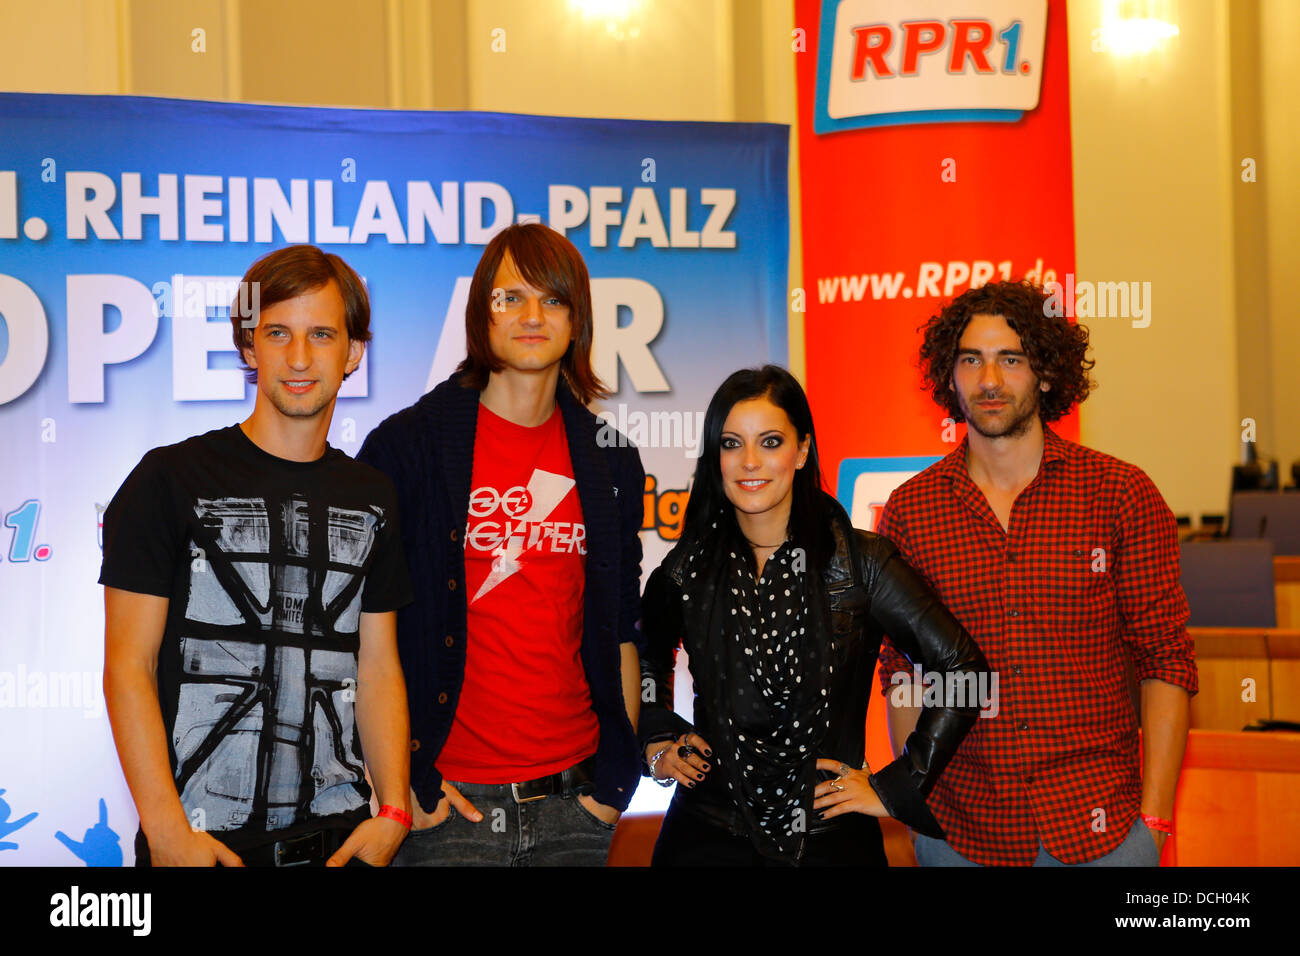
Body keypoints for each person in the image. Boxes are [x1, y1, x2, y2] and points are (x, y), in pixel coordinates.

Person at [101, 245, 414, 867]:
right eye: (278, 333)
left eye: (322, 334)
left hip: (342, 846)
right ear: (250, 348)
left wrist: (395, 812)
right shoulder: (168, 479)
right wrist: (166, 833)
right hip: (203, 850)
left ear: (353, 353)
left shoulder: (374, 495)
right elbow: (127, 667)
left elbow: (376, 665)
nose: (299, 358)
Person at [878, 279, 1197, 866]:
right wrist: (917, 802)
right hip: (961, 830)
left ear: (1046, 374)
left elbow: (1166, 660)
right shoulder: (911, 510)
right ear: (950, 377)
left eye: (1011, 359)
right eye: (970, 360)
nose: (989, 380)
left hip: (1103, 828)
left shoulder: (1120, 494)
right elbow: (905, 672)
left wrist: (1154, 821)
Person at [358, 223, 645, 866]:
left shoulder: (610, 462)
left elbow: (622, 631)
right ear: (479, 316)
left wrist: (614, 788)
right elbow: (363, 638)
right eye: (508, 298)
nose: (530, 316)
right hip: (446, 809)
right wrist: (399, 783)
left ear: (578, 320)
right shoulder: (407, 449)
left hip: (575, 804)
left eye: (551, 299)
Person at [638, 365, 989, 866]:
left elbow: (965, 669)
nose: (750, 461)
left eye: (771, 441)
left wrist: (897, 784)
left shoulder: (861, 562)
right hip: (704, 835)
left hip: (831, 841)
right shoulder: (686, 568)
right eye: (732, 443)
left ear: (802, 450)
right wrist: (657, 742)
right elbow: (642, 664)